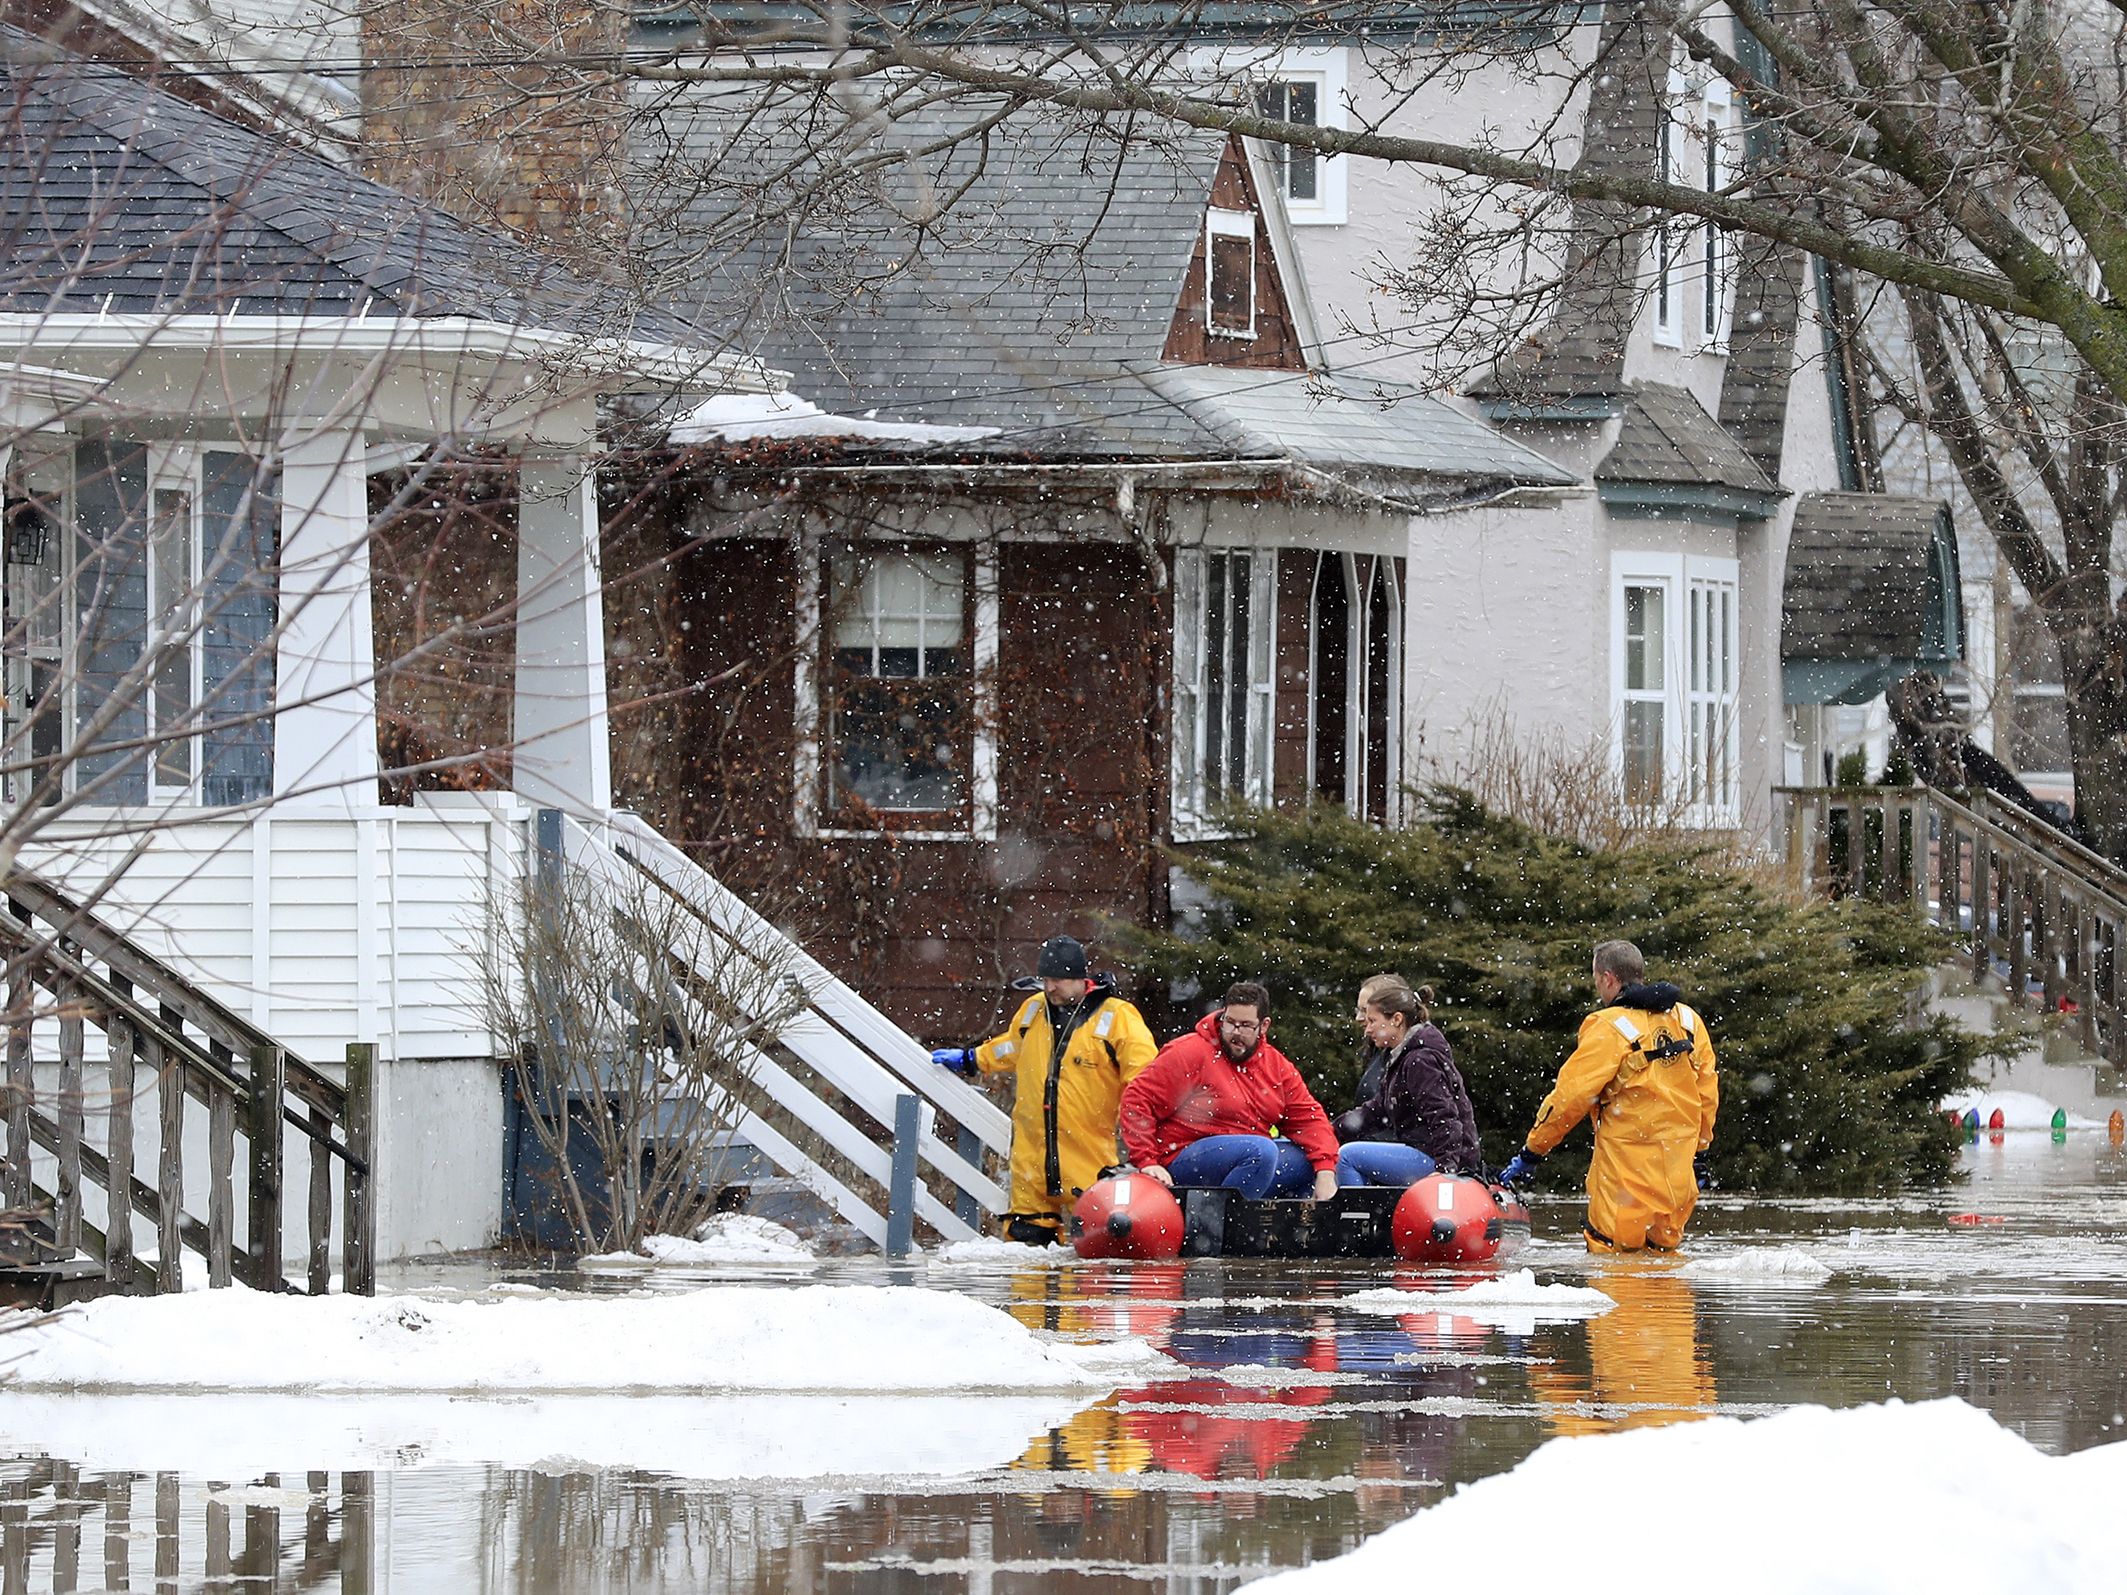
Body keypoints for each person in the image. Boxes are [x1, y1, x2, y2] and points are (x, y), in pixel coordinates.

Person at [1497, 940, 1720, 1253]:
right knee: (1663, 1264)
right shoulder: (1687, 1021)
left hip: (1626, 1178)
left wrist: (1533, 1151)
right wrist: (1701, 1152)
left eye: (1596, 980)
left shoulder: (1608, 1027)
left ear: (1607, 978)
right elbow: (1707, 1093)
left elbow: (1570, 1098)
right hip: (1678, 1178)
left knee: (1612, 1260)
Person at [937, 935, 1158, 1244]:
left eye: (1059, 980)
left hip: (1089, 1159)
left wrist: (1145, 1129)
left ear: (1080, 979)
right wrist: (971, 1059)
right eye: (1046, 979)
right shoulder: (1033, 1010)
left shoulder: (1117, 1017)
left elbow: (1144, 1077)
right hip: (1031, 1162)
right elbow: (1012, 1047)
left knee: (1094, 1244)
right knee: (1026, 1245)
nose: (1050, 987)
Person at [1118, 981, 1341, 1201]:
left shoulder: (1276, 1066)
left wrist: (1325, 1171)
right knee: (1262, 1152)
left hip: (1248, 1163)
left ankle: (1287, 1233)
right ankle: (1219, 1226)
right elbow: (1137, 1099)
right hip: (1185, 1158)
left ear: (1263, 1026)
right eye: (1230, 1022)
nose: (1235, 1032)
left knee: (1311, 1162)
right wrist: (1147, 1162)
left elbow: (1309, 1120)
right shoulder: (1190, 1052)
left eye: (1245, 1025)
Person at [1333, 975, 1483, 1186]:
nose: (1367, 1030)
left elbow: (1445, 1117)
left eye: (1372, 1021)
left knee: (1347, 1156)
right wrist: (1330, 1131)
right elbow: (1375, 1111)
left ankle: (1355, 1218)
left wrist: (1446, 1171)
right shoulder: (1402, 1057)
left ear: (1396, 1019)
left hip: (1441, 1160)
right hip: (1425, 1152)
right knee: (1348, 1151)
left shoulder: (1419, 1060)